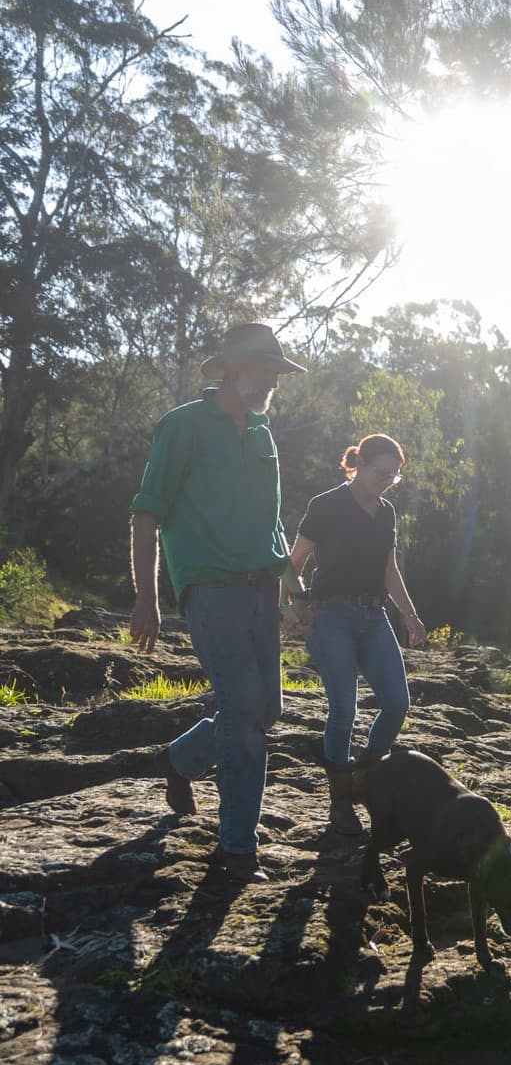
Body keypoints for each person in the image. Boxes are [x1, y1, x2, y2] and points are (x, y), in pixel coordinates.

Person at [129, 322, 306, 880]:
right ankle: (237, 849)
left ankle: (177, 760)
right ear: (233, 369)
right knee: (247, 712)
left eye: (277, 372)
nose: (272, 380)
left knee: (266, 710)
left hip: (260, 588)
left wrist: (293, 585)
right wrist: (147, 599)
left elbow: (271, 520)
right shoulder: (182, 425)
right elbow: (146, 514)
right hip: (209, 588)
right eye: (264, 369)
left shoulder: (262, 432)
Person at [283, 434, 426, 834]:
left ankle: (363, 774)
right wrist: (294, 603)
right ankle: (341, 801)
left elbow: (389, 570)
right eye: (381, 472)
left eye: (394, 476)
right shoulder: (326, 505)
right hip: (331, 615)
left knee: (397, 703)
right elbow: (292, 563)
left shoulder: (386, 512)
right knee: (344, 707)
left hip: (374, 616)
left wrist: (410, 615)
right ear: (359, 465)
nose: (386, 481)